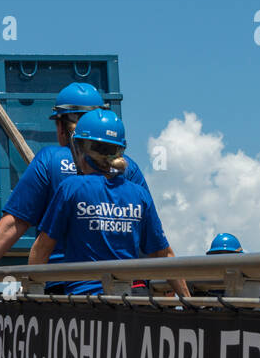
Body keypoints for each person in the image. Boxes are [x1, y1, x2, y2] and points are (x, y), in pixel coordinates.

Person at [0, 82, 152, 282]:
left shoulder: (49, 160)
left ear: (62, 126)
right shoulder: (128, 168)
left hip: (61, 285)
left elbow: (17, 221)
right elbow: (150, 234)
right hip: (124, 286)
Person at [28, 111, 189, 299]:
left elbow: (42, 249)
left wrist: (30, 293)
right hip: (132, 300)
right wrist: (190, 301)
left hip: (85, 303)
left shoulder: (71, 189)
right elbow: (164, 255)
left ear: (79, 150)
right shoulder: (139, 195)